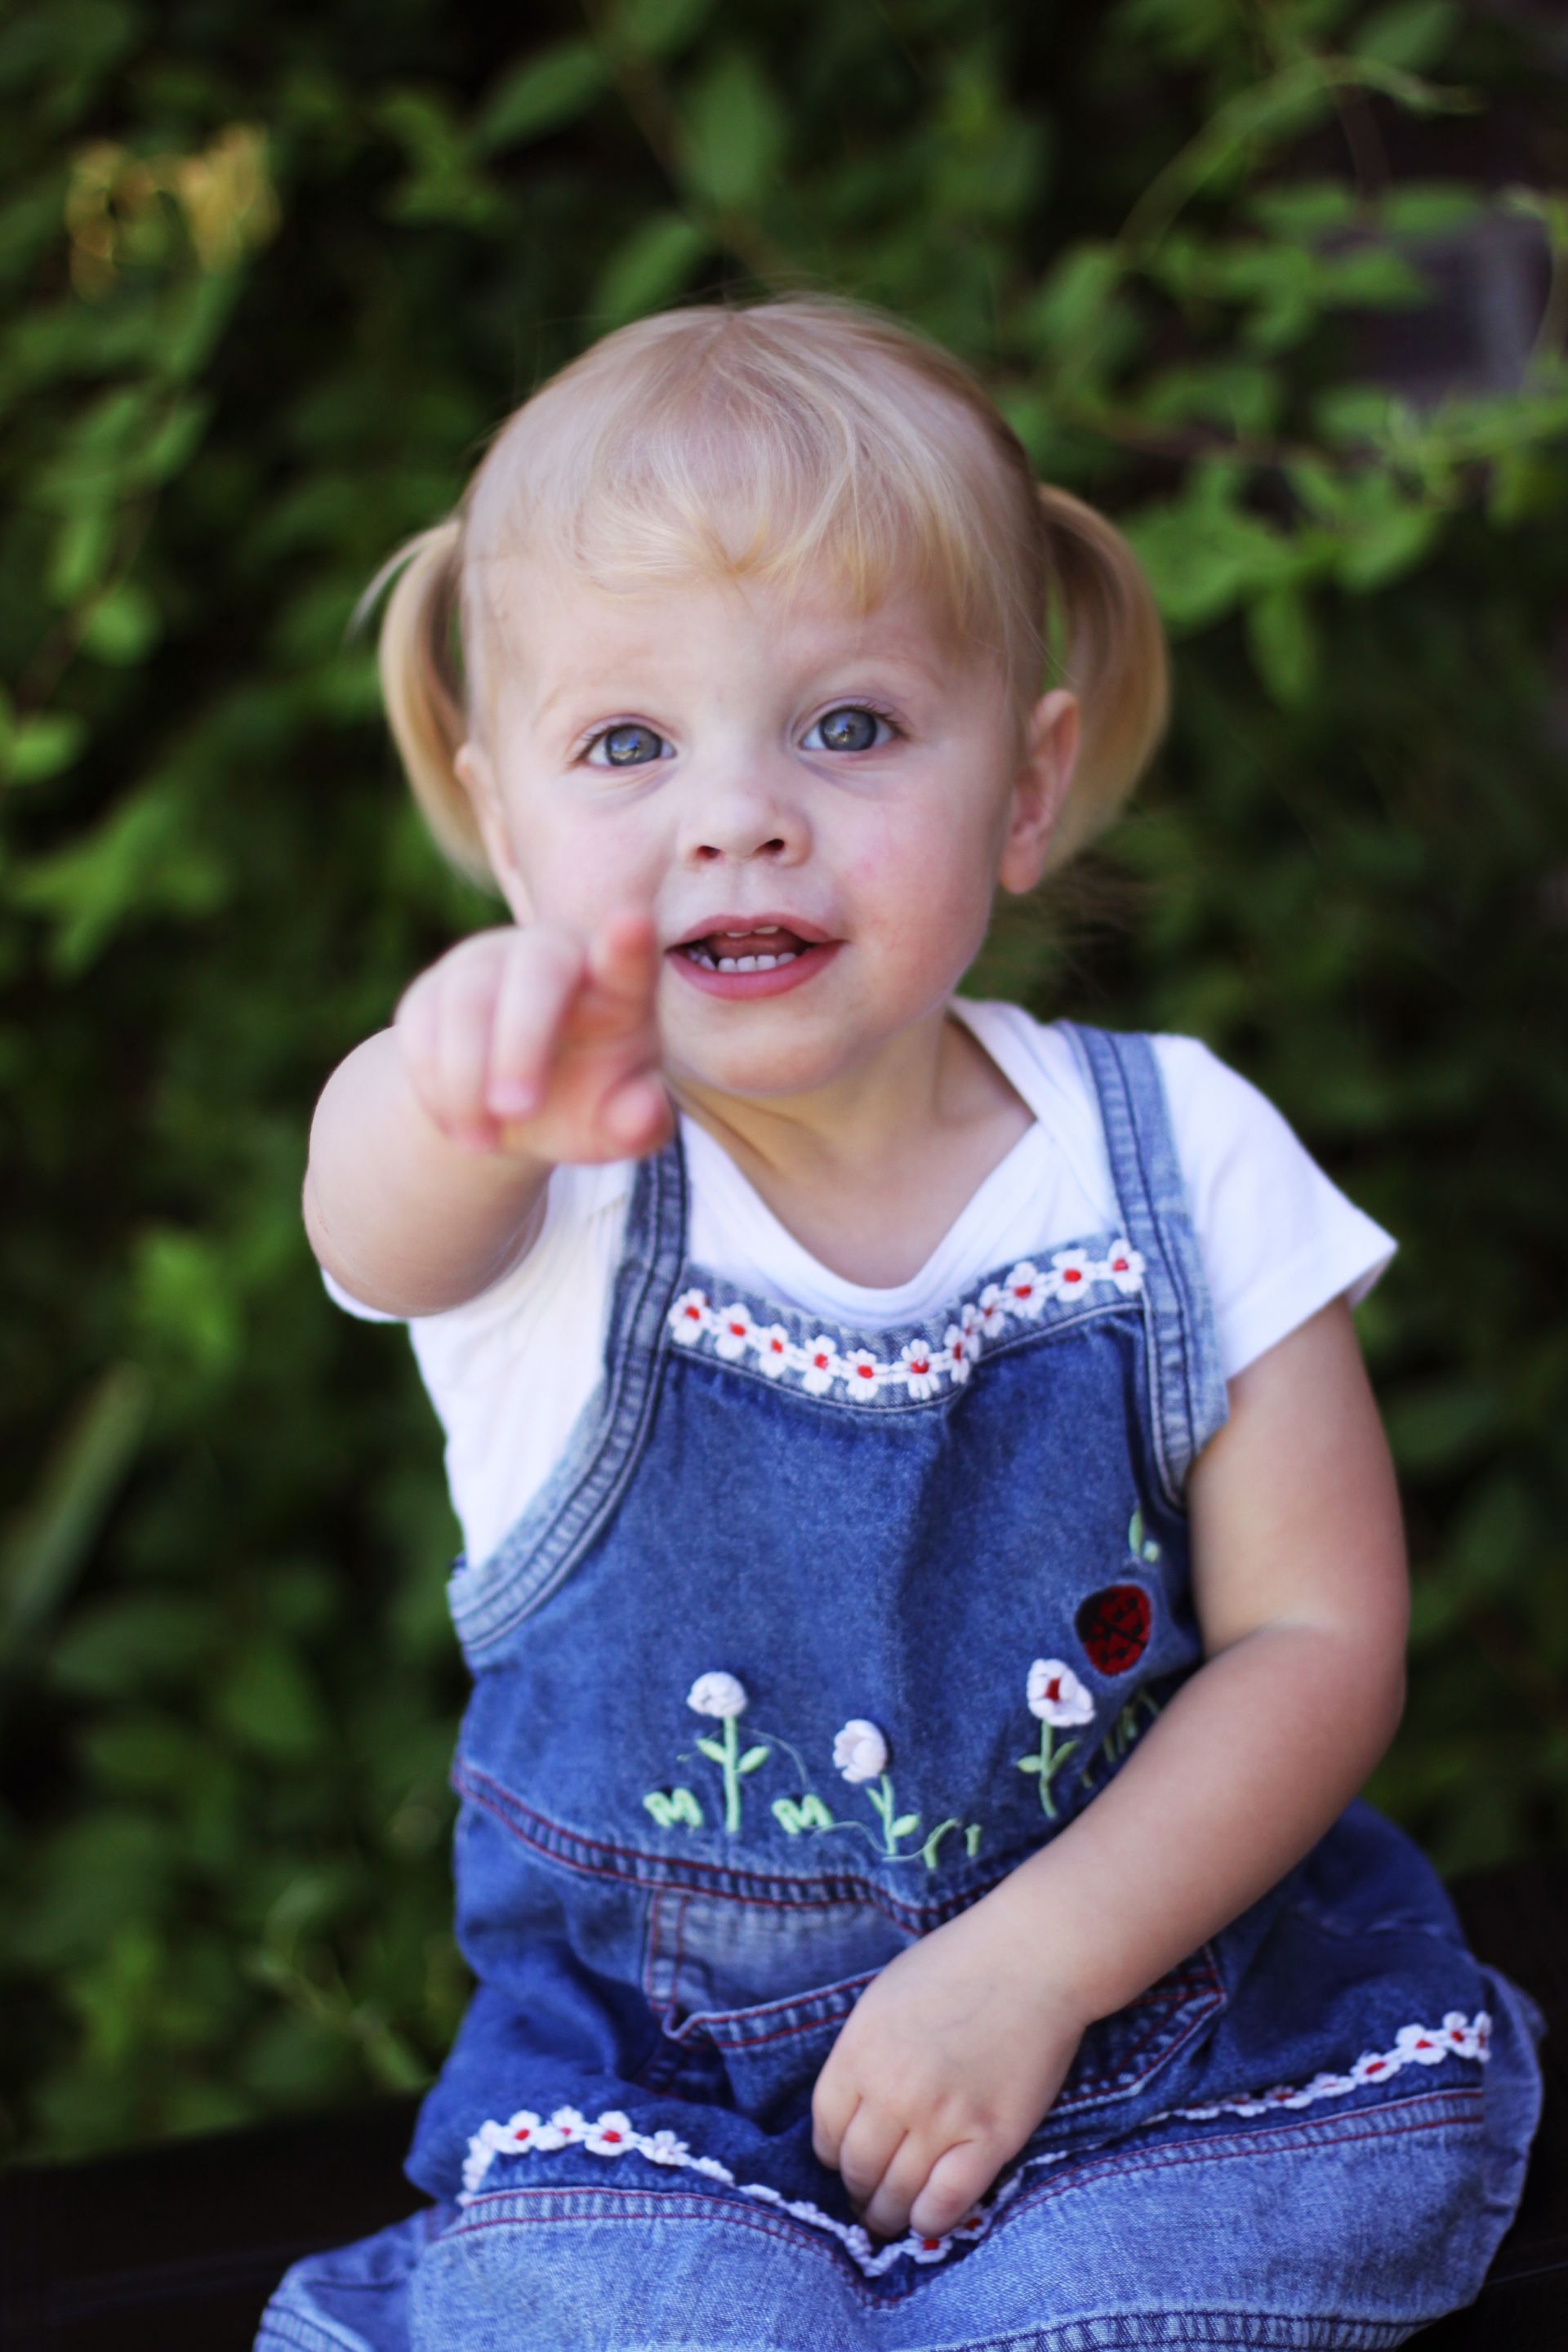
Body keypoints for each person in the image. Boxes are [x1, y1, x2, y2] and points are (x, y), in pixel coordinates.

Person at [258, 296, 1543, 2352]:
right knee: (636, 2310)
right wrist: (452, 1077)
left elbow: (1322, 1637)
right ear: (507, 831)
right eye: (627, 745)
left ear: (1024, 792)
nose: (739, 810)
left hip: (1157, 2041)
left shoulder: (1175, 1154)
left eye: (848, 727)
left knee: (1183, 2274)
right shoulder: (544, 1187)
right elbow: (374, 1217)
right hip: (667, 2118)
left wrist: (1035, 1965)